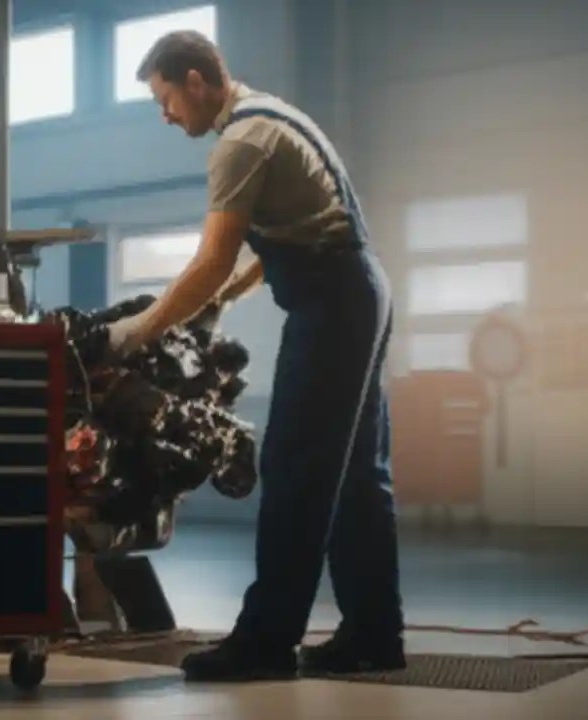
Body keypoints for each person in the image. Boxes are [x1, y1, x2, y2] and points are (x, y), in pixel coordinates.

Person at [106, 31, 405, 682]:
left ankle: (266, 642)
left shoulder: (239, 143)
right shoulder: (270, 115)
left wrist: (140, 331)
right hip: (361, 292)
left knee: (296, 465)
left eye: (164, 100)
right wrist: (226, 303)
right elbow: (279, 238)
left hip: (333, 306)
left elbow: (212, 258)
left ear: (194, 80)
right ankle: (375, 635)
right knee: (357, 475)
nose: (165, 115)